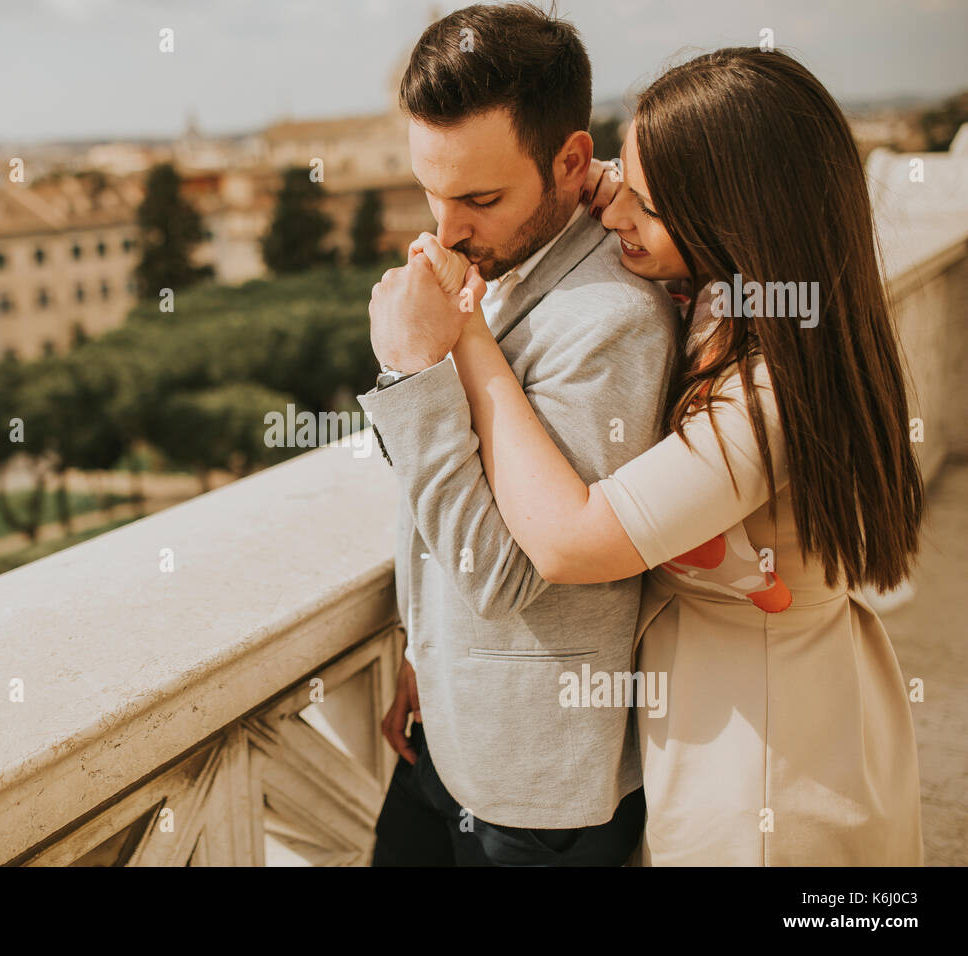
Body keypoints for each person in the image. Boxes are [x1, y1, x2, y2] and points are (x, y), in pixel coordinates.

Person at [426, 47, 924, 865]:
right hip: (762, 703)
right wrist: (596, 187)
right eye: (621, 180)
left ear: (737, 226)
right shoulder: (755, 312)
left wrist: (465, 335)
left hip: (764, 764)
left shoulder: (768, 396)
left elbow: (570, 542)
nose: (616, 213)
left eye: (647, 205)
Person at [357, 2, 678, 865]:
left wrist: (410, 373)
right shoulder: (505, 257)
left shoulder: (613, 322)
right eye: (433, 193)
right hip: (443, 731)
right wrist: (423, 650)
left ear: (571, 161)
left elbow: (504, 576)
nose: (446, 231)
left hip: (536, 792)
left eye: (480, 199)